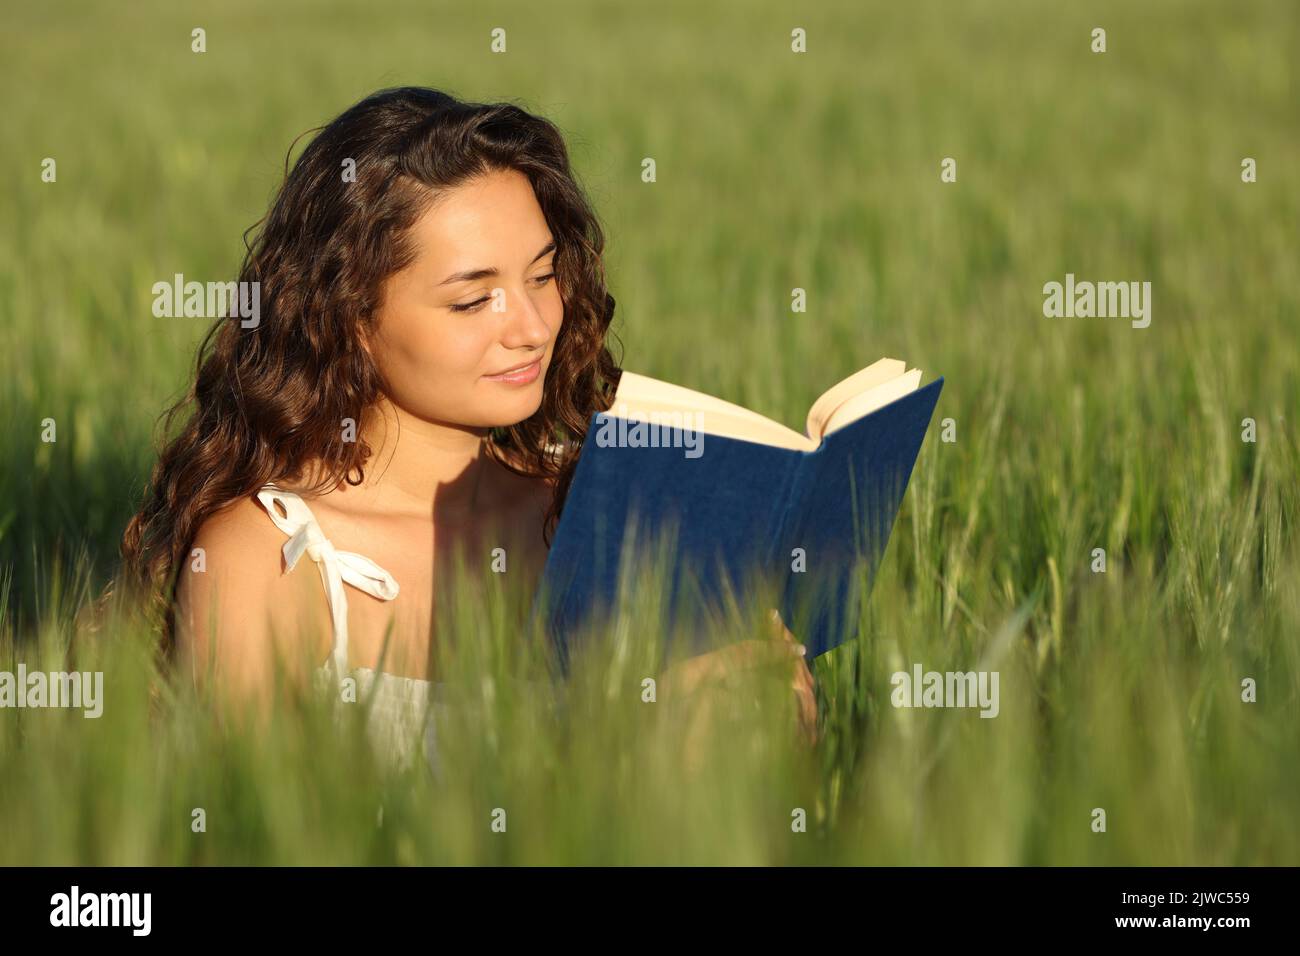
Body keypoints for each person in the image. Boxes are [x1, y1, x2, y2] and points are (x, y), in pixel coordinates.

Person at [117, 87, 815, 768]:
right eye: (474, 299)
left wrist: (772, 728)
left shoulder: (594, 512)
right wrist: (622, 757)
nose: (535, 328)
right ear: (351, 320)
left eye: (543, 277)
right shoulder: (270, 557)